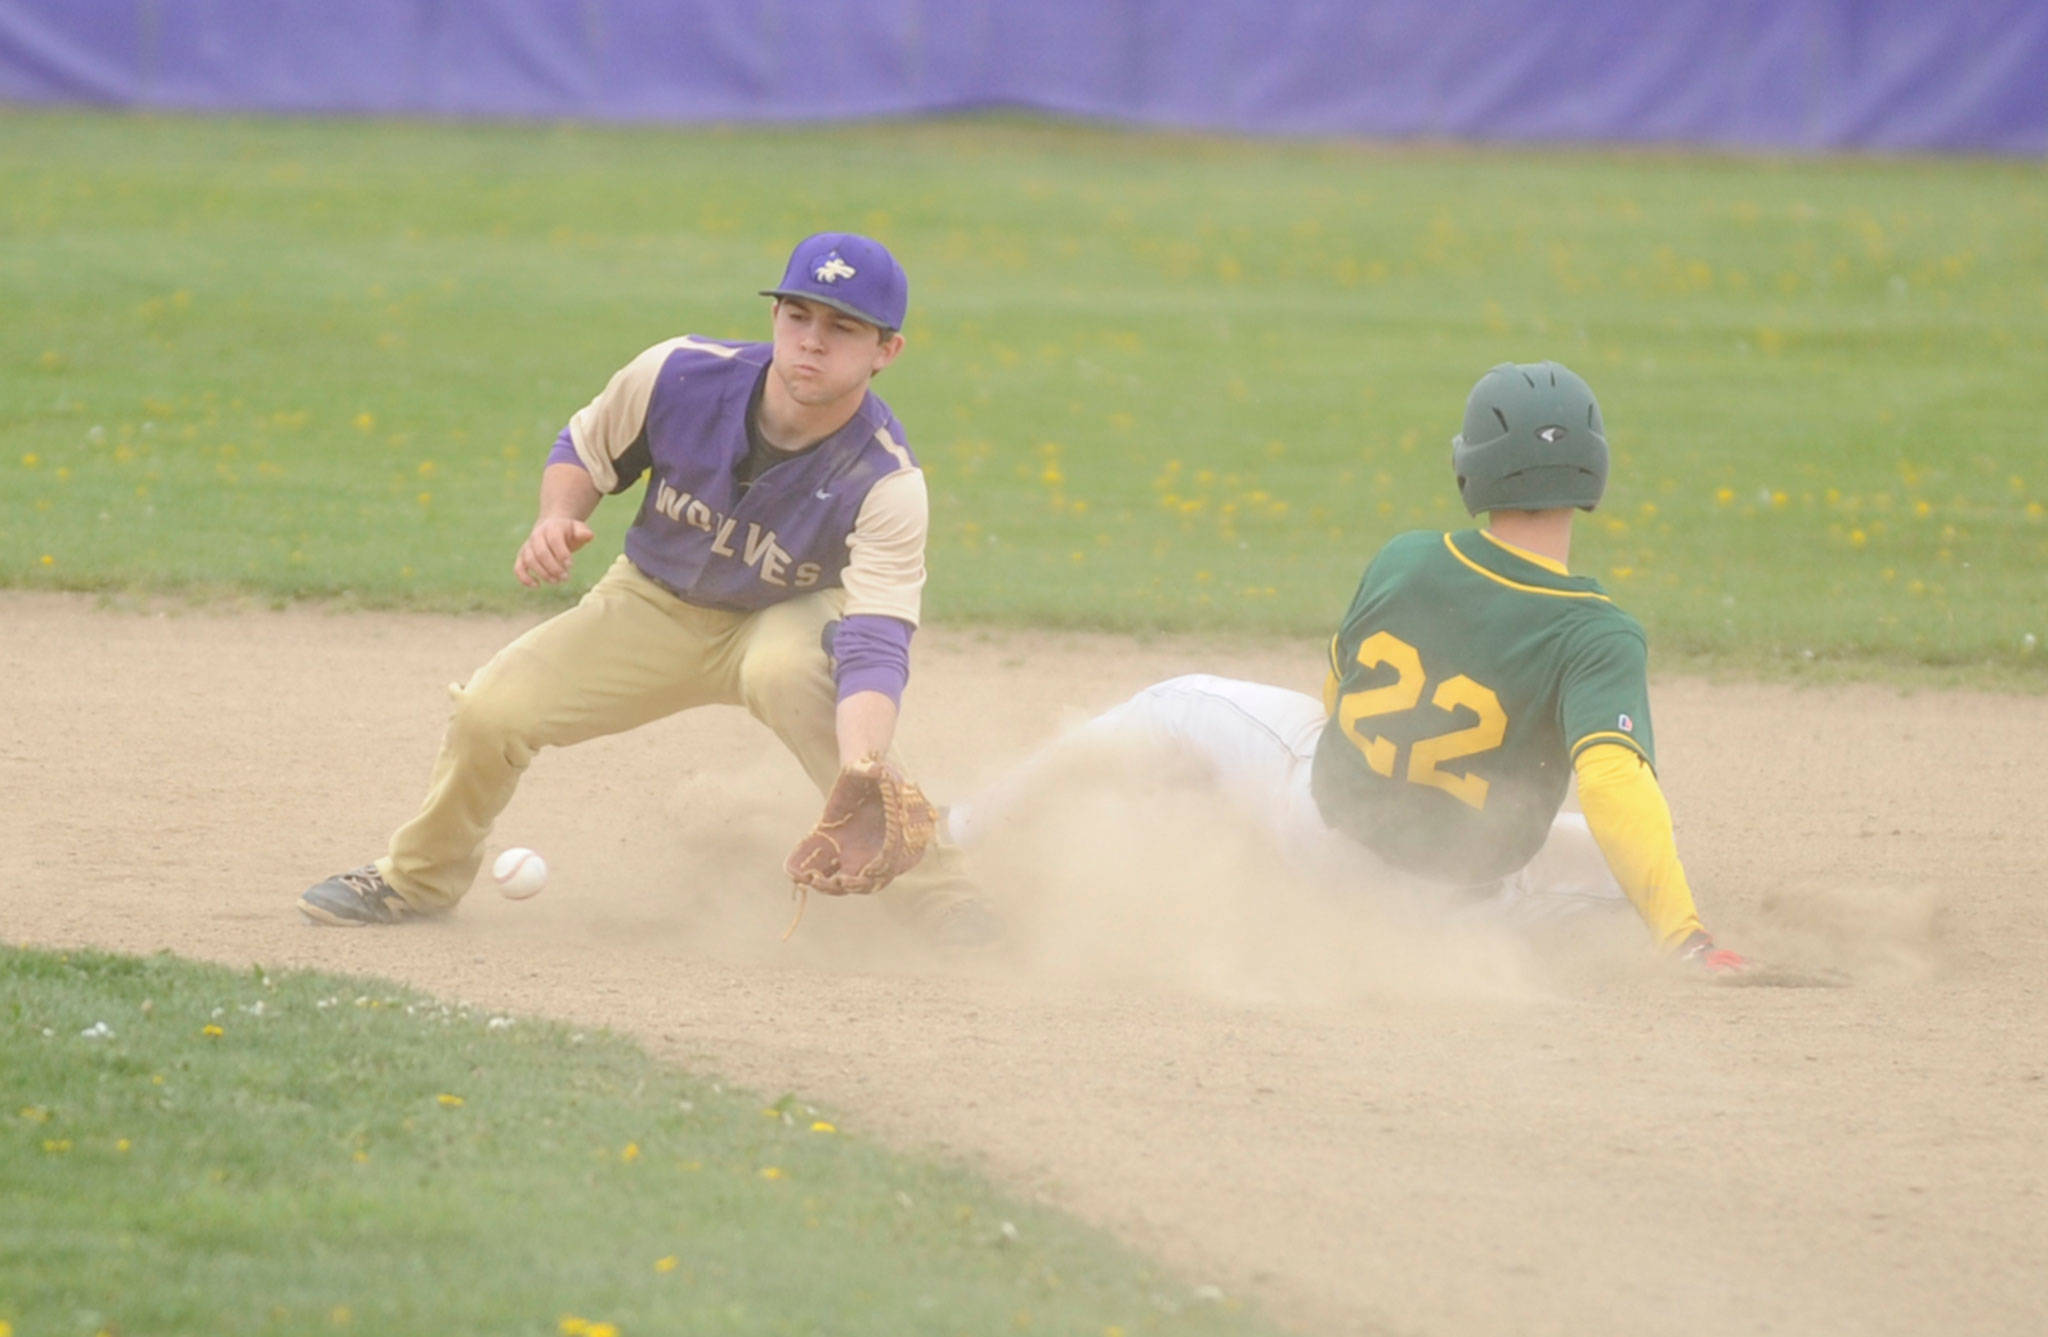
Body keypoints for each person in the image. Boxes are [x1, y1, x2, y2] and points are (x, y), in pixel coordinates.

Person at [299, 232, 995, 946]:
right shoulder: (680, 375)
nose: (812, 341)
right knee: (490, 710)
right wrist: (557, 517)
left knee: (790, 674)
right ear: (776, 317)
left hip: (784, 615)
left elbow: (875, 640)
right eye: (798, 315)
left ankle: (943, 900)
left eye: (842, 326)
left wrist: (861, 767)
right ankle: (416, 879)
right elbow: (587, 447)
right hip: (652, 602)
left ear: (887, 350)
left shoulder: (886, 480)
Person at [946, 361, 1745, 973]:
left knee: (1175, 703)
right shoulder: (1600, 634)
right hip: (1442, 907)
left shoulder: (1406, 560)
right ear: (1593, 472)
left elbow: (1337, 697)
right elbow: (1615, 786)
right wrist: (1683, 934)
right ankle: (1687, 943)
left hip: (1316, 826)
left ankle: (957, 828)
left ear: (1473, 466)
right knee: (1625, 873)